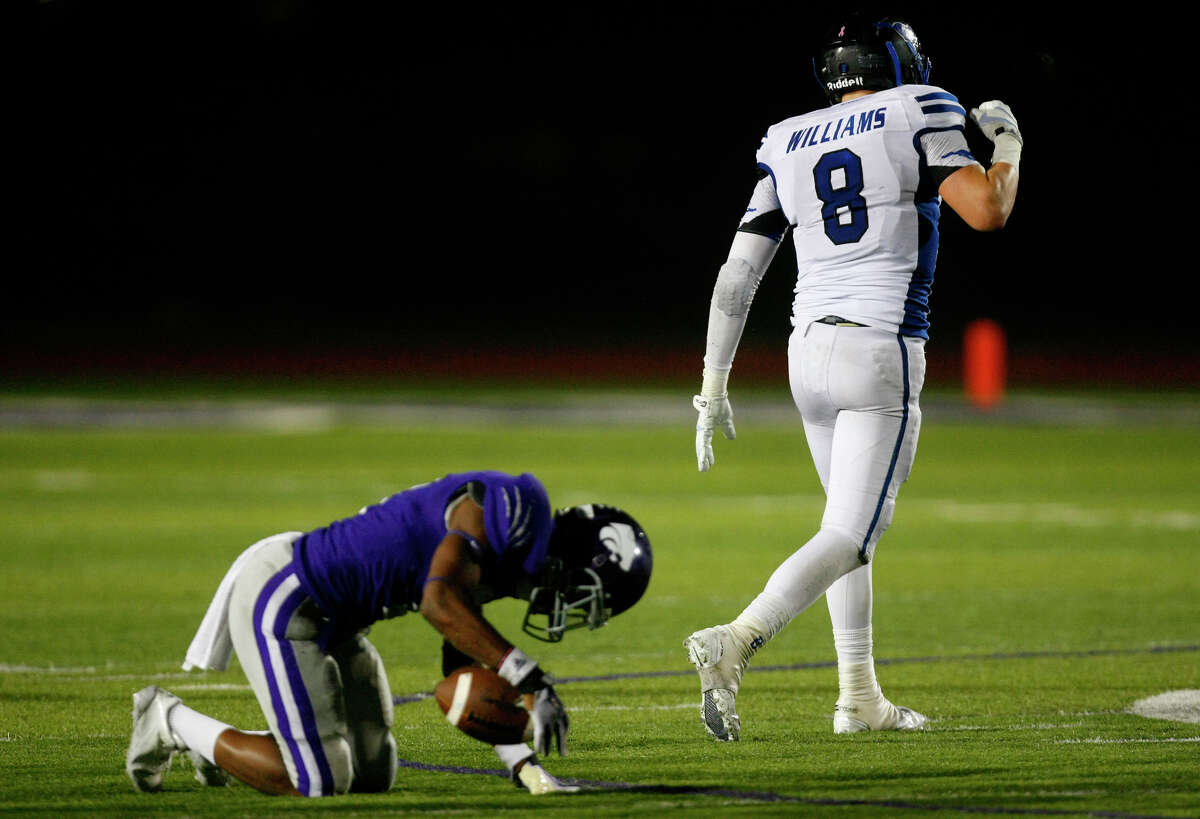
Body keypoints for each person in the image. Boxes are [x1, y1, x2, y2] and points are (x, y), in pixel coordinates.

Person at [685, 15, 1021, 741]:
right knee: (853, 533)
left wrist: (713, 386)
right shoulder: (918, 105)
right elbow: (987, 210)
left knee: (842, 525)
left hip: (805, 354)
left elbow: (737, 276)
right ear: (896, 62)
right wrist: (1010, 147)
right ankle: (736, 639)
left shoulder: (788, 137)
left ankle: (858, 697)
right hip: (880, 348)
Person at [125, 470, 653, 795]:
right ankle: (168, 721)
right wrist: (531, 679)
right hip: (290, 597)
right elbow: (438, 601)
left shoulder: (513, 559)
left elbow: (461, 664)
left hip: (340, 620)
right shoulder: (510, 512)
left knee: (374, 772)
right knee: (318, 779)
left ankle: (225, 751)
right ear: (581, 561)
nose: (574, 609)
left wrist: (527, 769)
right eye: (588, 595)